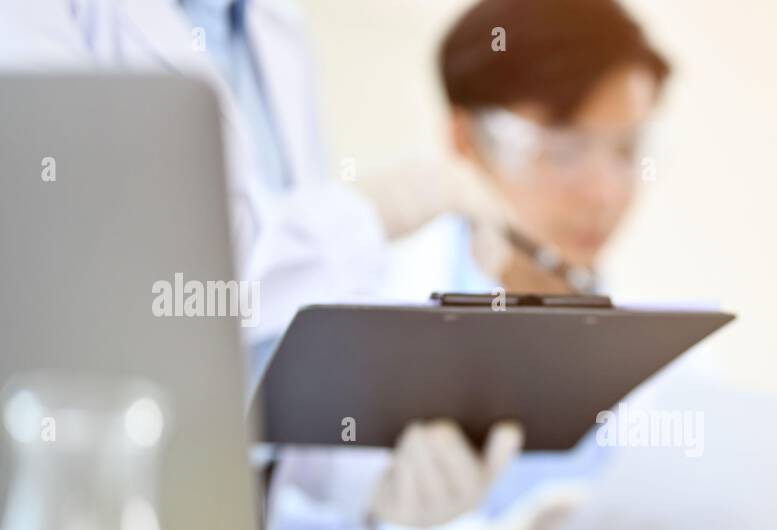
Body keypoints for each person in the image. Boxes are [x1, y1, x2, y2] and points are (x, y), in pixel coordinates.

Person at [270, 0, 777, 530]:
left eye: (625, 151)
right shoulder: (348, 329)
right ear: (464, 140)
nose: (604, 191)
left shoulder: (673, 368)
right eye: (562, 147)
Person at [0, 0, 451, 346]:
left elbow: (293, 307)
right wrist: (375, 210)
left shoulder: (273, 23)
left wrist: (377, 461)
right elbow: (140, 276)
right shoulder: (42, 16)